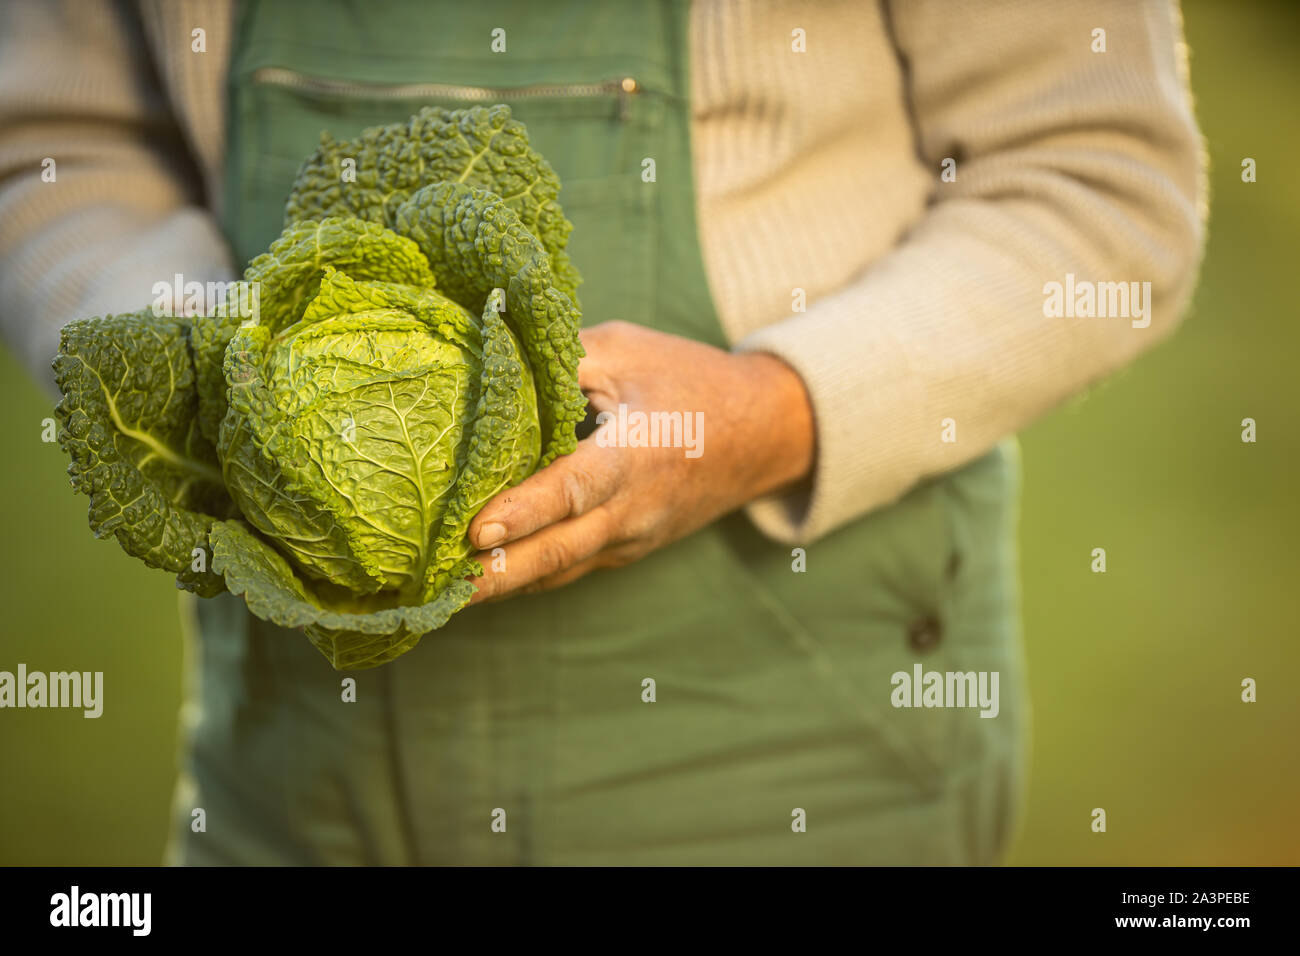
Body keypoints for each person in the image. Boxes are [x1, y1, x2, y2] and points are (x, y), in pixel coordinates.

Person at [0, 0, 1205, 865]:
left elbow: (1101, 181)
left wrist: (778, 408)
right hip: (297, 764)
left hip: (802, 734)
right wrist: (216, 374)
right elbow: (54, 147)